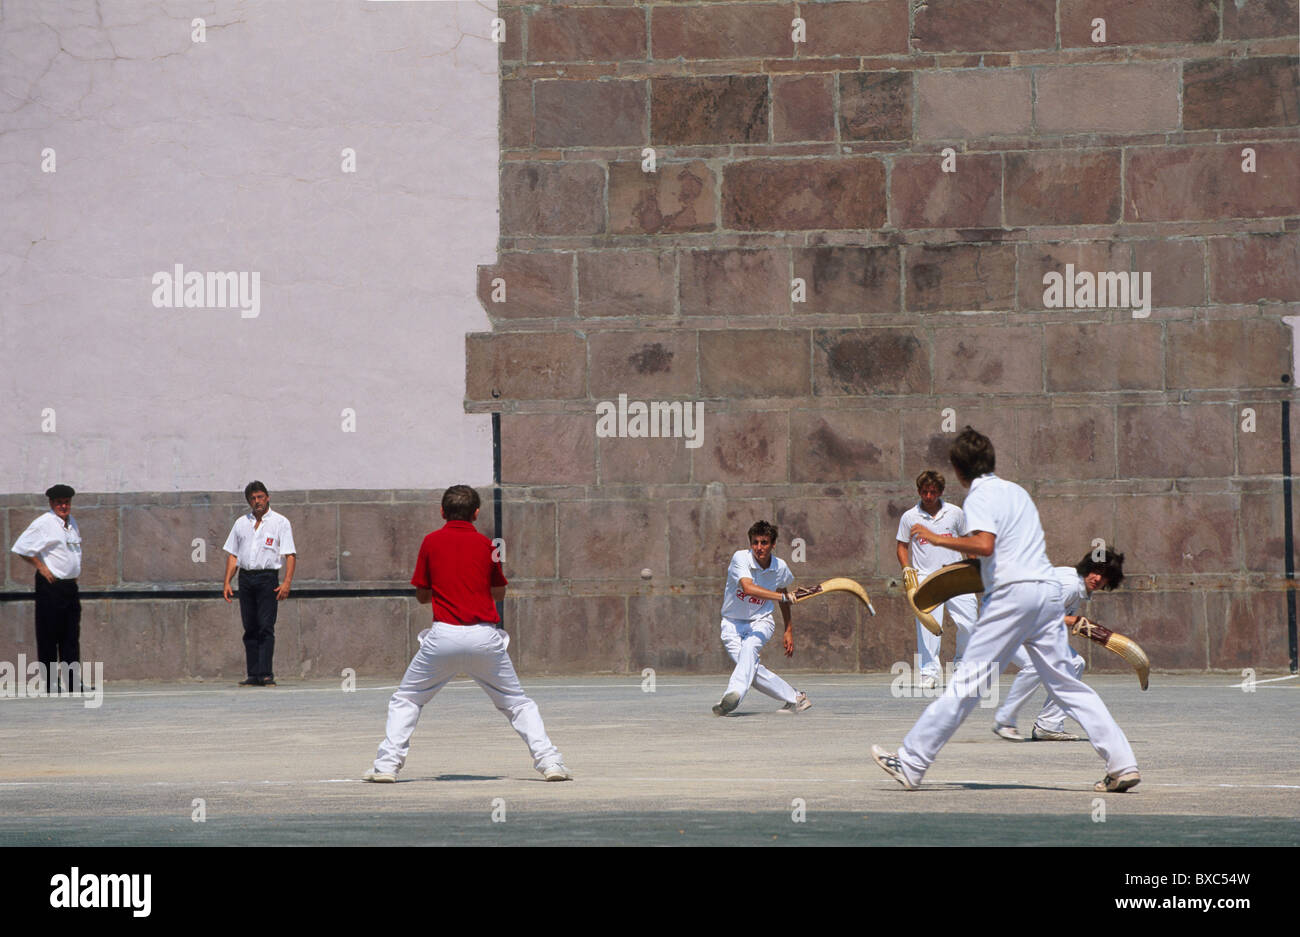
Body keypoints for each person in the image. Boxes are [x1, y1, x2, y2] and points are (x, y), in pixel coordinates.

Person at [872, 427, 1140, 793]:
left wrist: (936, 538)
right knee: (1068, 685)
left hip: (1013, 595)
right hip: (1046, 593)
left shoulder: (979, 496)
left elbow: (985, 545)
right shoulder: (1017, 492)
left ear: (958, 470)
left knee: (967, 682)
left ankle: (911, 762)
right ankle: (1122, 764)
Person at [363, 485, 571, 782]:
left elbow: (422, 596)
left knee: (407, 699)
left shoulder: (430, 542)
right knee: (517, 703)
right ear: (476, 513)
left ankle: (386, 767)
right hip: (483, 637)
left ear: (442, 512)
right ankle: (550, 763)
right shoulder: (489, 545)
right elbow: (498, 591)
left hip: (443, 637)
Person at [993, 548, 1126, 742]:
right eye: (1095, 571)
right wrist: (1072, 621)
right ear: (1087, 567)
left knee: (1074, 663)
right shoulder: (1069, 586)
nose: (1097, 578)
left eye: (1104, 576)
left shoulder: (1077, 587)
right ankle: (1005, 721)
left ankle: (1049, 725)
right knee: (1034, 665)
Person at [712, 520, 810, 716]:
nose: (759, 547)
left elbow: (783, 595)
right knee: (749, 668)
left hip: (761, 621)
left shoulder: (780, 567)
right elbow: (748, 588)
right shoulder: (740, 558)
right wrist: (783, 597)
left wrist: (788, 629)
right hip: (731, 624)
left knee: (749, 650)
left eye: (764, 542)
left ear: (773, 544)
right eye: (755, 542)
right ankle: (796, 697)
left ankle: (732, 695)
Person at [896, 470, 979, 689]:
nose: (928, 496)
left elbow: (968, 541)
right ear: (919, 491)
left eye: (933, 492)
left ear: (941, 492)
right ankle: (929, 672)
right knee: (928, 627)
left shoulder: (955, 513)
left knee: (970, 622)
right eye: (925, 492)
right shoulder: (909, 517)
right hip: (926, 578)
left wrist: (975, 566)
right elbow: (902, 546)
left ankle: (962, 666)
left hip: (957, 575)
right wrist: (907, 569)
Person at [11, 484, 85, 692]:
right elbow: (22, 547)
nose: (64, 506)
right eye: (59, 503)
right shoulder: (44, 523)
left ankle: (72, 680)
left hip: (69, 586)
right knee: (49, 634)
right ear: (52, 503)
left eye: (67, 502)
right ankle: (51, 682)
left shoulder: (72, 523)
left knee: (71, 635)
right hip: (51, 586)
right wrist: (41, 567)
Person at [222, 481, 296, 687]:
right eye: (253, 498)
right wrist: (227, 582)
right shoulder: (241, 523)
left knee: (265, 626)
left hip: (267, 578)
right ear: (248, 501)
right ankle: (253, 674)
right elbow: (233, 555)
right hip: (246, 578)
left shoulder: (280, 522)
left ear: (267, 497)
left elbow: (290, 555)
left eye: (260, 497)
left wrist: (286, 582)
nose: (257, 501)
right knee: (250, 627)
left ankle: (265, 674)